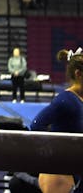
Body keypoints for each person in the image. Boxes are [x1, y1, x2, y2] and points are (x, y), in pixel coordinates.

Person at [30, 48, 82, 193]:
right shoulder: (65, 100)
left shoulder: (79, 100)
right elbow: (36, 125)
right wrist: (52, 155)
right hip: (61, 174)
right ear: (78, 74)